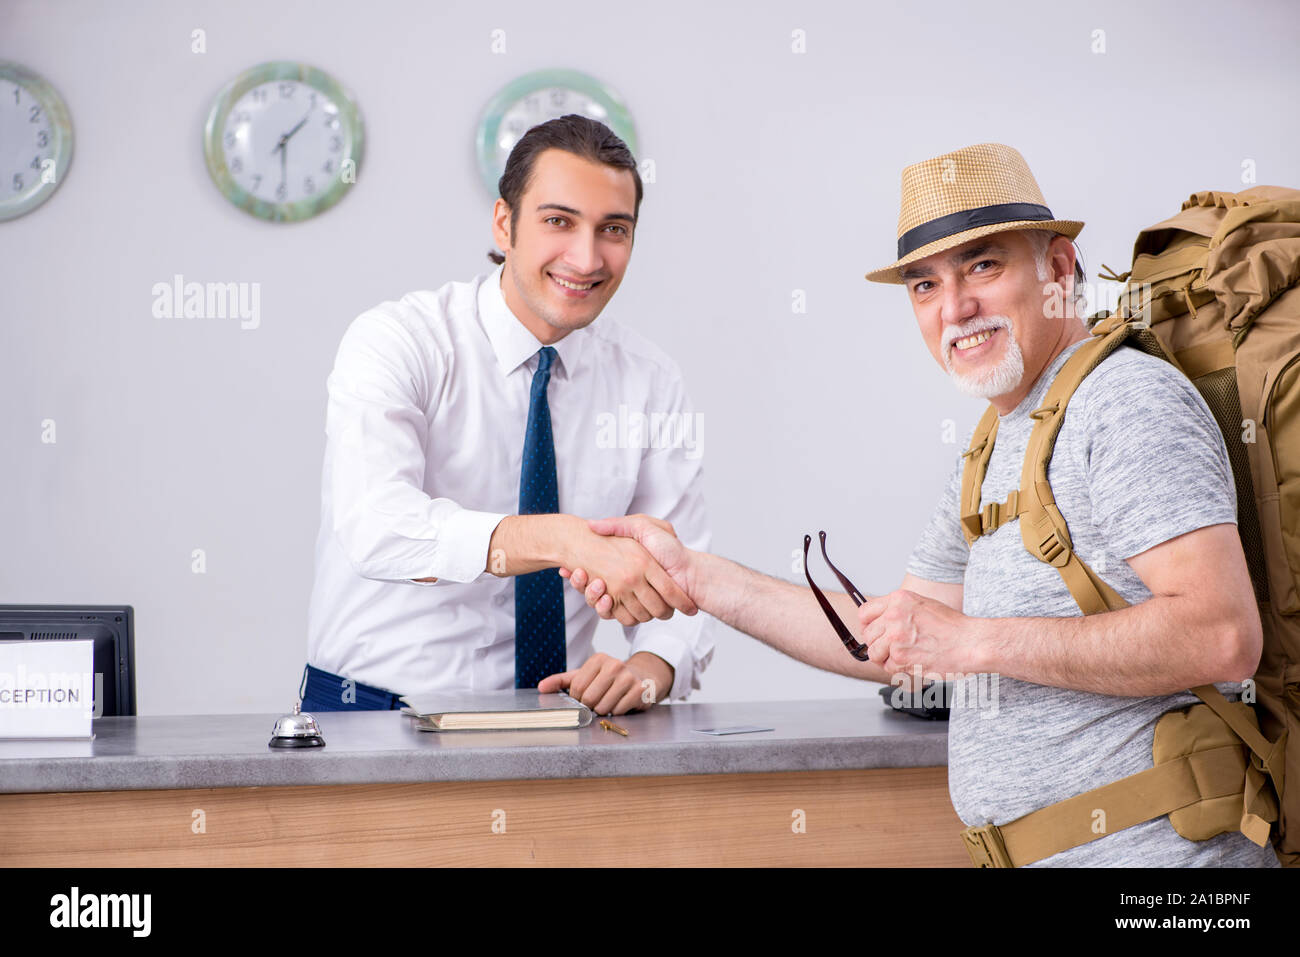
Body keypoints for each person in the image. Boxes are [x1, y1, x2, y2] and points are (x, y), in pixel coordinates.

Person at [561, 142, 1279, 866]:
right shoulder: (1000, 436)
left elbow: (1219, 634)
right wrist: (694, 576)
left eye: (983, 266)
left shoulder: (1125, 402)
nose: (956, 308)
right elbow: (896, 641)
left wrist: (974, 641)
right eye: (924, 284)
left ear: (1059, 269)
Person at [302, 114, 711, 717]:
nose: (587, 256)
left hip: (552, 725)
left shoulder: (651, 381)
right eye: (558, 221)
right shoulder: (398, 340)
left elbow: (684, 579)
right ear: (504, 222)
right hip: (367, 715)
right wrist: (560, 539)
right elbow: (376, 526)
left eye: (613, 229)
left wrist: (648, 669)